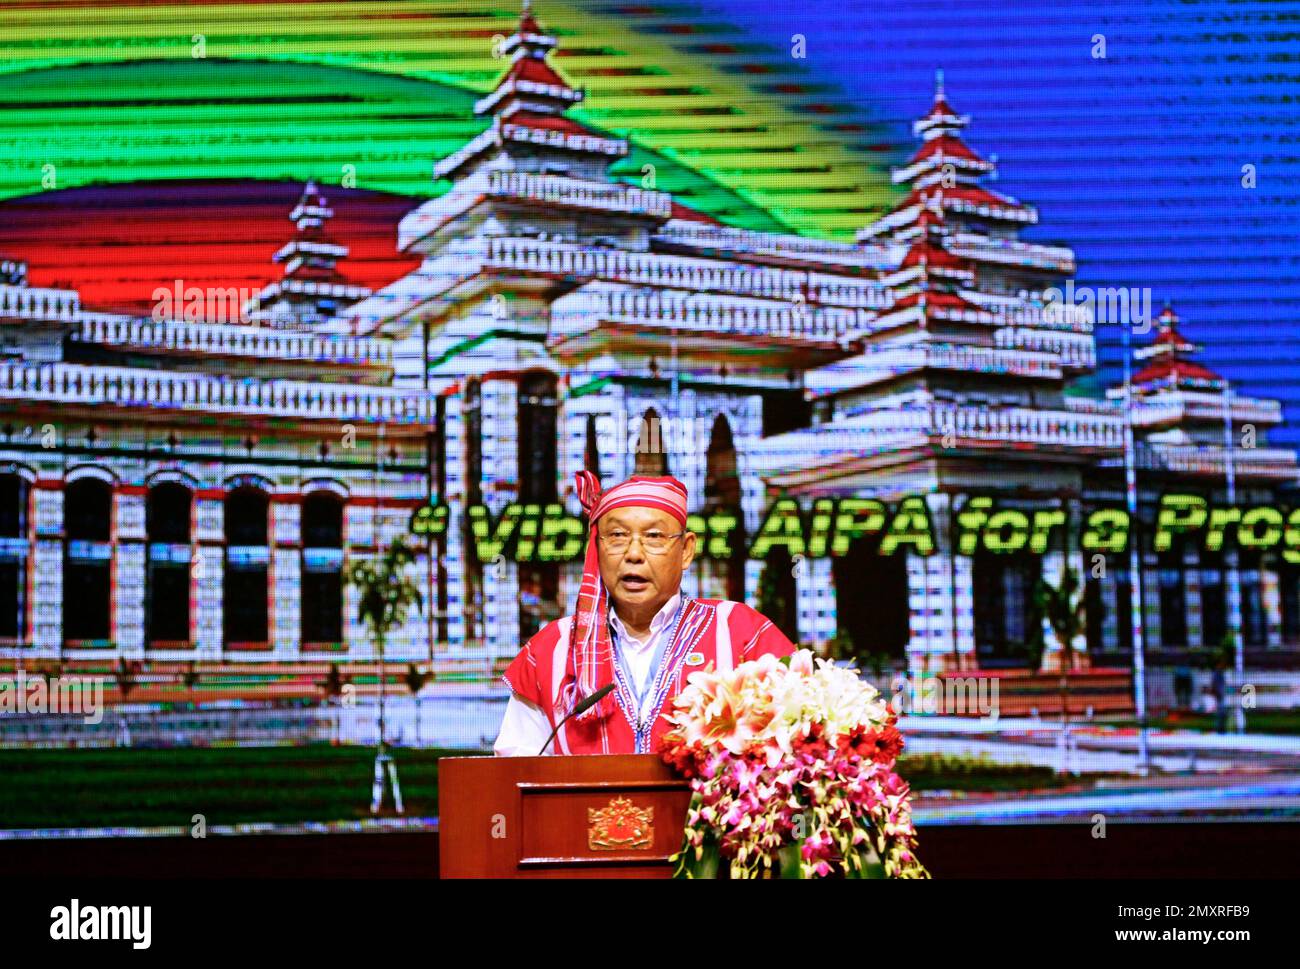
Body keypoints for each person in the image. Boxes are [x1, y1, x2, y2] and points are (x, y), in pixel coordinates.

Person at [494, 470, 796, 755]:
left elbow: (802, 742)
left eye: (653, 536)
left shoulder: (740, 633)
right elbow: (516, 769)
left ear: (686, 550)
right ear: (596, 547)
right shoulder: (553, 648)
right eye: (617, 536)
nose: (634, 554)